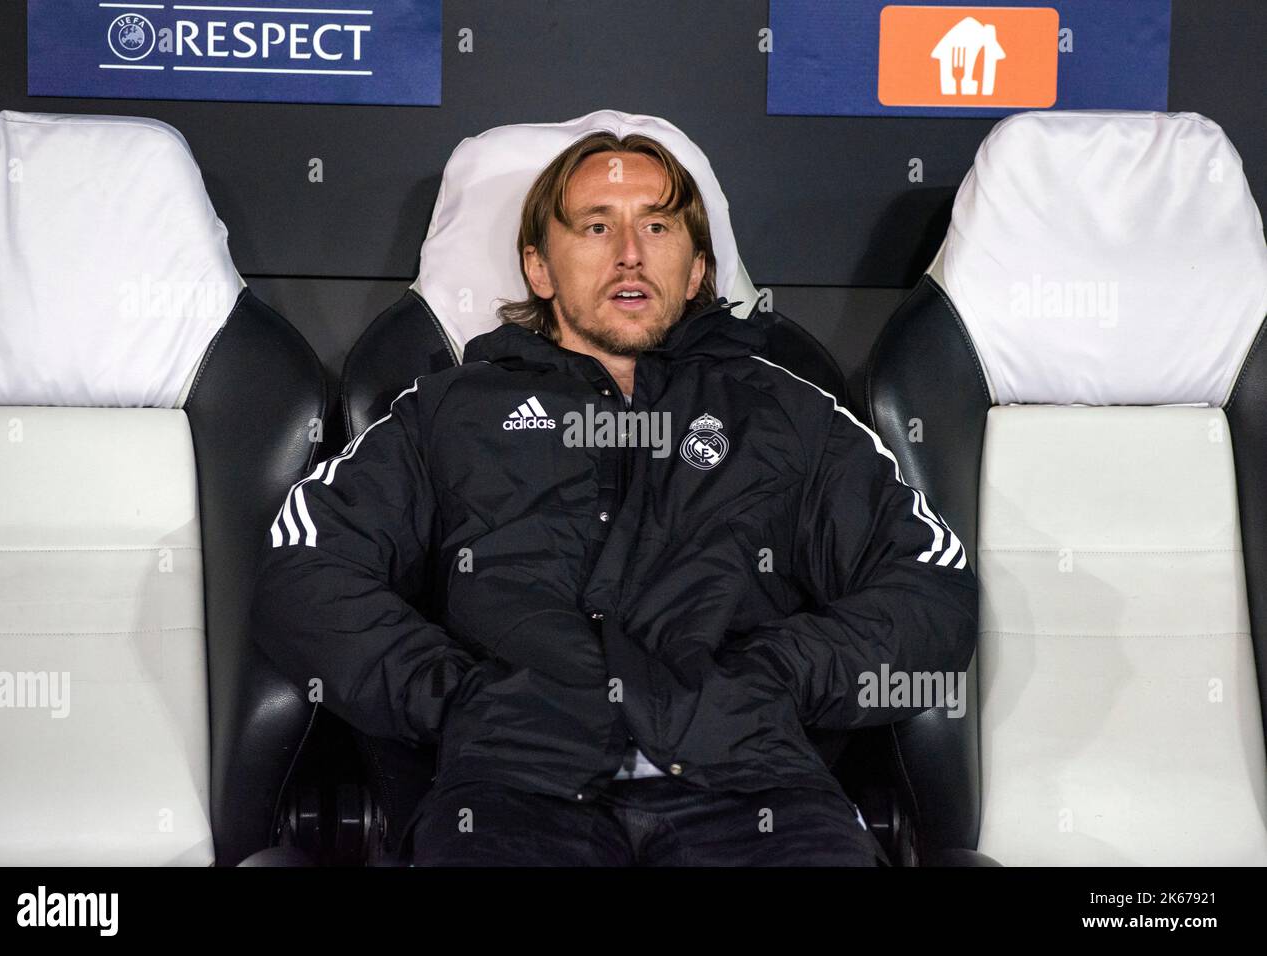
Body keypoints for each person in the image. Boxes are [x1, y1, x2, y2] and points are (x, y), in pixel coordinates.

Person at [249, 130, 978, 866]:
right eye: (596, 225)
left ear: (696, 269)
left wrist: (779, 678)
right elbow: (305, 571)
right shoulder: (448, 411)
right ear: (539, 267)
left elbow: (932, 590)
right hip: (515, 794)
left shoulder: (789, 414)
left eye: (657, 226)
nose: (629, 251)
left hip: (755, 792)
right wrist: (462, 696)